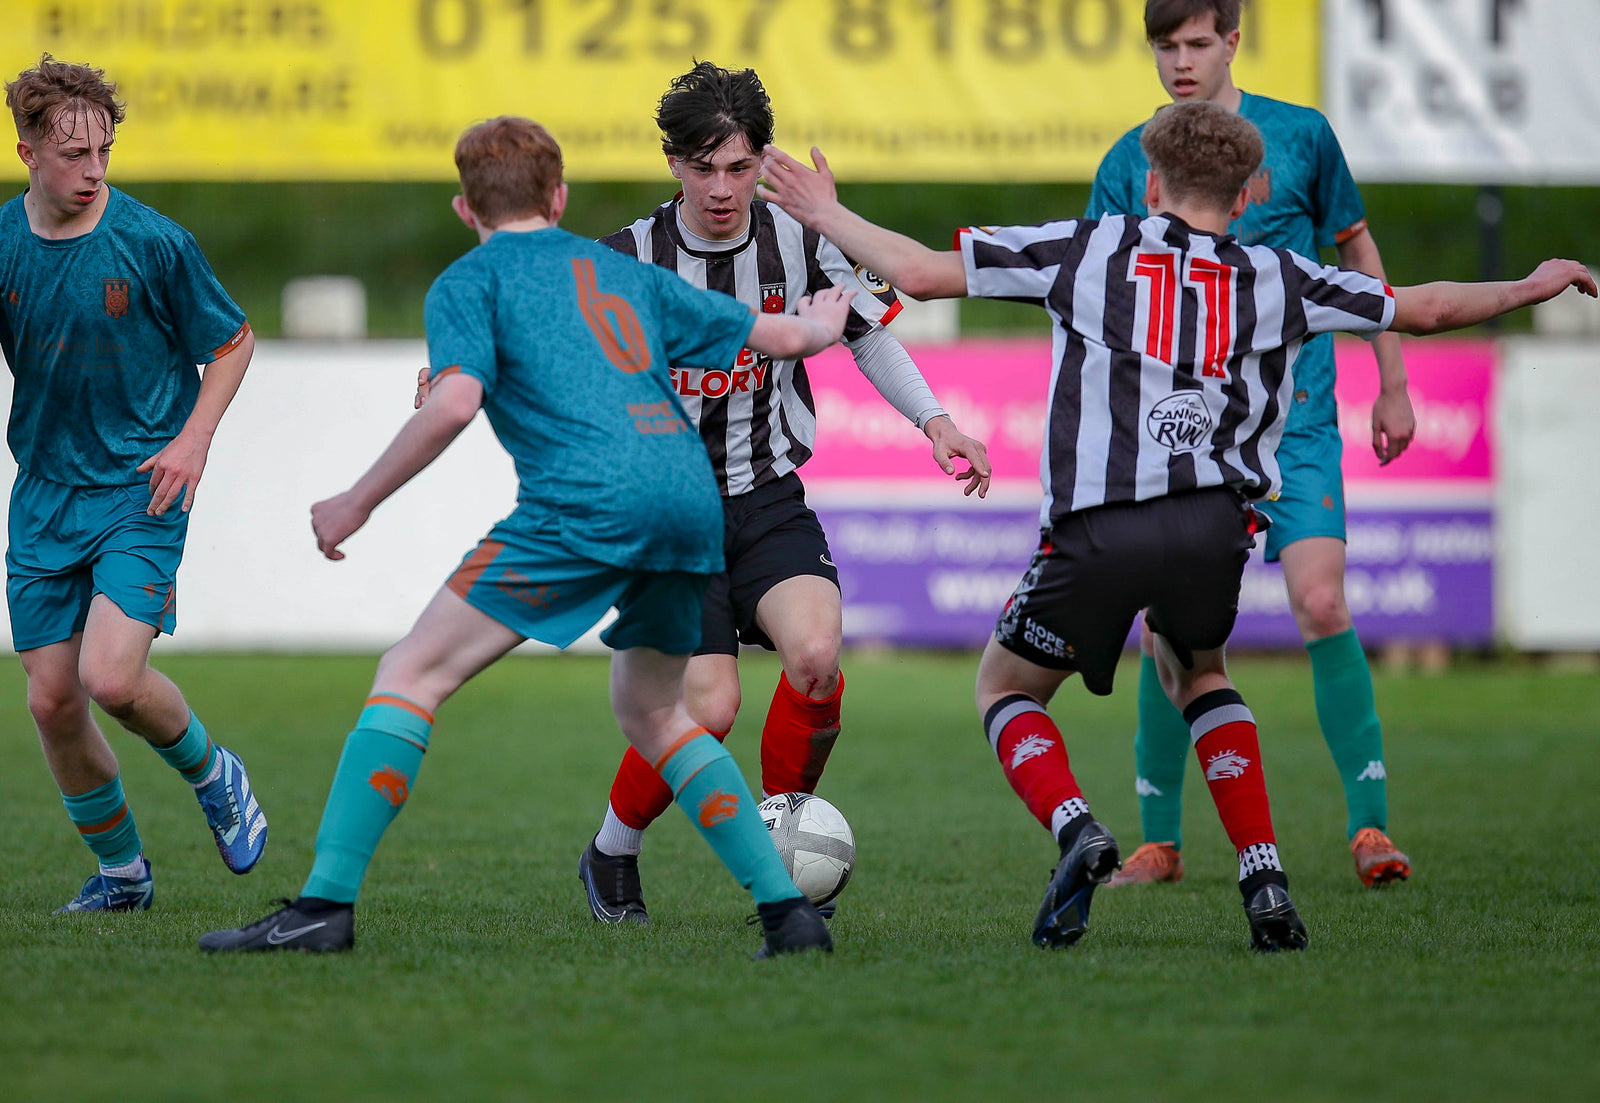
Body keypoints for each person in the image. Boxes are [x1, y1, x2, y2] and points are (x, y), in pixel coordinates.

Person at [757, 101, 1593, 950]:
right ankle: (1264, 874)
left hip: (1098, 530)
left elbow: (920, 272)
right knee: (1200, 675)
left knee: (1004, 689)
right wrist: (1529, 285)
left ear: (1150, 185)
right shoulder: (1281, 275)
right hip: (1213, 529)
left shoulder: (1089, 250)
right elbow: (1423, 308)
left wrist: (826, 213)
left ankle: (1077, 826)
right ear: (1247, 196)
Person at [200, 115, 859, 957]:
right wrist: (825, 322)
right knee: (659, 712)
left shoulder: (469, 282)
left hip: (587, 502)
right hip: (688, 498)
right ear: (559, 198)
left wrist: (356, 500)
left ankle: (324, 906)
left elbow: (453, 403)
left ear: (464, 209)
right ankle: (787, 913)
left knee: (410, 672)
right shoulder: (618, 268)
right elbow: (781, 336)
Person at [573, 61, 991, 924]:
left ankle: (780, 854)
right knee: (709, 707)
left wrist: (937, 421)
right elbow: (542, 340)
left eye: (739, 166)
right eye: (702, 167)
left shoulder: (801, 240)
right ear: (673, 164)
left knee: (815, 656)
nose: (721, 188)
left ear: (763, 161)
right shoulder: (627, 257)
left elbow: (868, 336)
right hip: (668, 516)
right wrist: (459, 370)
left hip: (766, 496)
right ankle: (611, 849)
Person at [1086, 0, 1418, 889]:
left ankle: (1370, 826)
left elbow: (1357, 254)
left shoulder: (1301, 137)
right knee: (1171, 627)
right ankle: (1161, 840)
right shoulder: (1128, 160)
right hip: (1188, 433)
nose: (1181, 61)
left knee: (1322, 600)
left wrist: (1391, 378)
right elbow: (1103, 283)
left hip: (1297, 418)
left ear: (1233, 41)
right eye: (1166, 45)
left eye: (1198, 42)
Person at [2, 55, 265, 913]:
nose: (94, 170)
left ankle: (214, 772)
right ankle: (123, 875)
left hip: (140, 486)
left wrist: (193, 441)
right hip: (44, 493)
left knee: (111, 679)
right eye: (73, 154)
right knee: (52, 702)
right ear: (28, 153)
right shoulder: (4, 241)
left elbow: (232, 343)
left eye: (104, 151)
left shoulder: (153, 241)